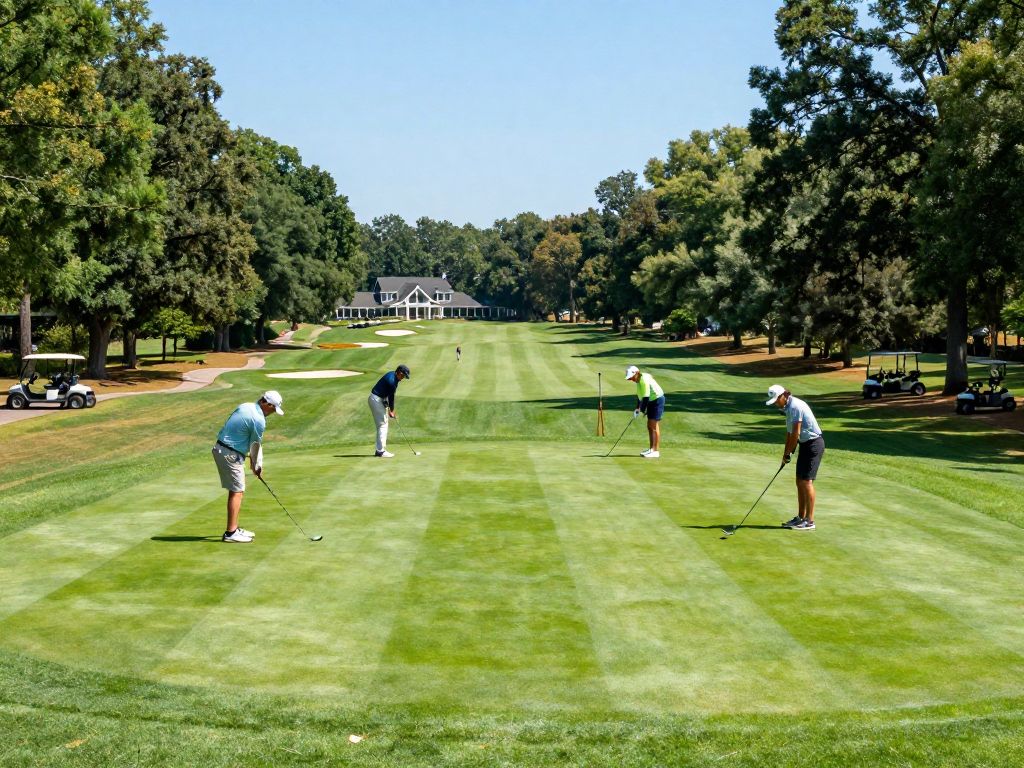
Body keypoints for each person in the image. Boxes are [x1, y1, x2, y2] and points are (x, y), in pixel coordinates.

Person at [212, 390, 284, 543]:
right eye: (273, 409)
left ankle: (234, 528)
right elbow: (255, 445)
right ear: (267, 404)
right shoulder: (259, 419)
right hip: (230, 454)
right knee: (237, 491)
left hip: (221, 448)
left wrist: (254, 463)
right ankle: (230, 533)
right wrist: (256, 466)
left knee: (237, 490)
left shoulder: (245, 406)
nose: (272, 412)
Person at [765, 384, 824, 531]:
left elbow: (796, 434)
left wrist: (789, 453)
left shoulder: (795, 407)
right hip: (805, 444)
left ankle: (810, 521)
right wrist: (785, 454)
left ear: (783, 396)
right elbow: (789, 434)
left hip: (814, 444)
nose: (776, 404)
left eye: (776, 401)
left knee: (806, 482)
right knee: (799, 481)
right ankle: (800, 518)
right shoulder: (787, 408)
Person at [368, 364, 410, 457]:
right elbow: (391, 398)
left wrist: (385, 403)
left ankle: (379, 450)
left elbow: (385, 392)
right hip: (376, 400)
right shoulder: (392, 381)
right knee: (383, 424)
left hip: (377, 399)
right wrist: (392, 411)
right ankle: (380, 451)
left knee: (382, 424)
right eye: (403, 376)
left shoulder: (393, 376)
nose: (402, 378)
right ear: (399, 372)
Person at [625, 365, 665, 458]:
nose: (631, 380)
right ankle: (651, 449)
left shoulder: (643, 380)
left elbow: (646, 397)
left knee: (653, 425)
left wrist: (642, 410)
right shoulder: (639, 381)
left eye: (631, 378)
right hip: (652, 401)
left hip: (657, 400)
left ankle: (655, 451)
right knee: (650, 426)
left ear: (637, 373)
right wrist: (637, 408)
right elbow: (640, 397)